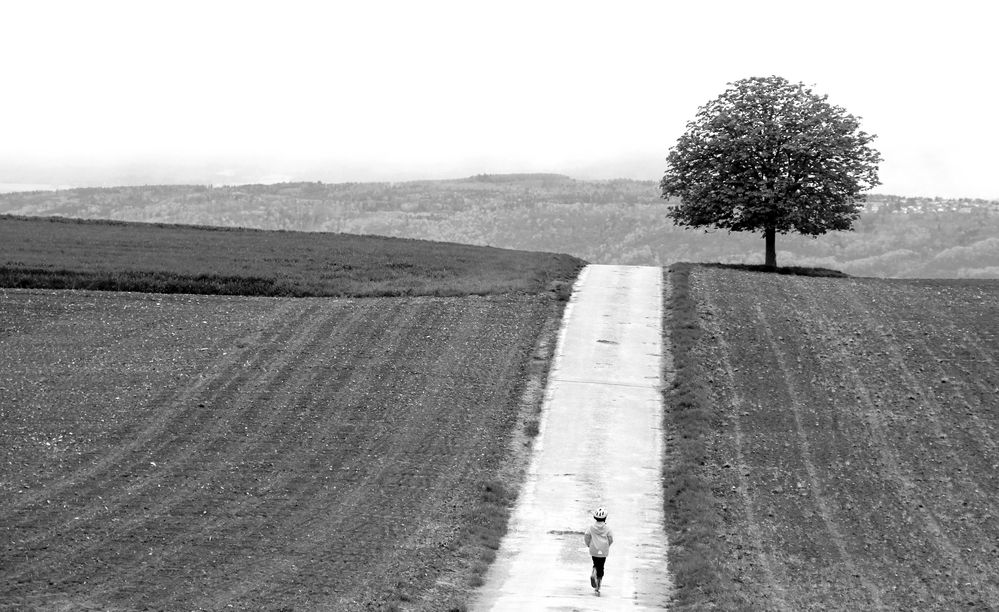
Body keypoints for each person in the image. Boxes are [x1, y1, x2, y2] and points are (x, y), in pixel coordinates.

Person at [583, 507, 613, 594]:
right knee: (601, 566)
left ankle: (594, 570)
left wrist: (588, 545)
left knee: (595, 562)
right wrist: (607, 545)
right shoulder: (607, 528)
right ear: (605, 518)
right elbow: (611, 539)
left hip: (594, 549)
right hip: (603, 550)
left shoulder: (591, 528)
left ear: (595, 517)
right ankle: (598, 585)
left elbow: (586, 536)